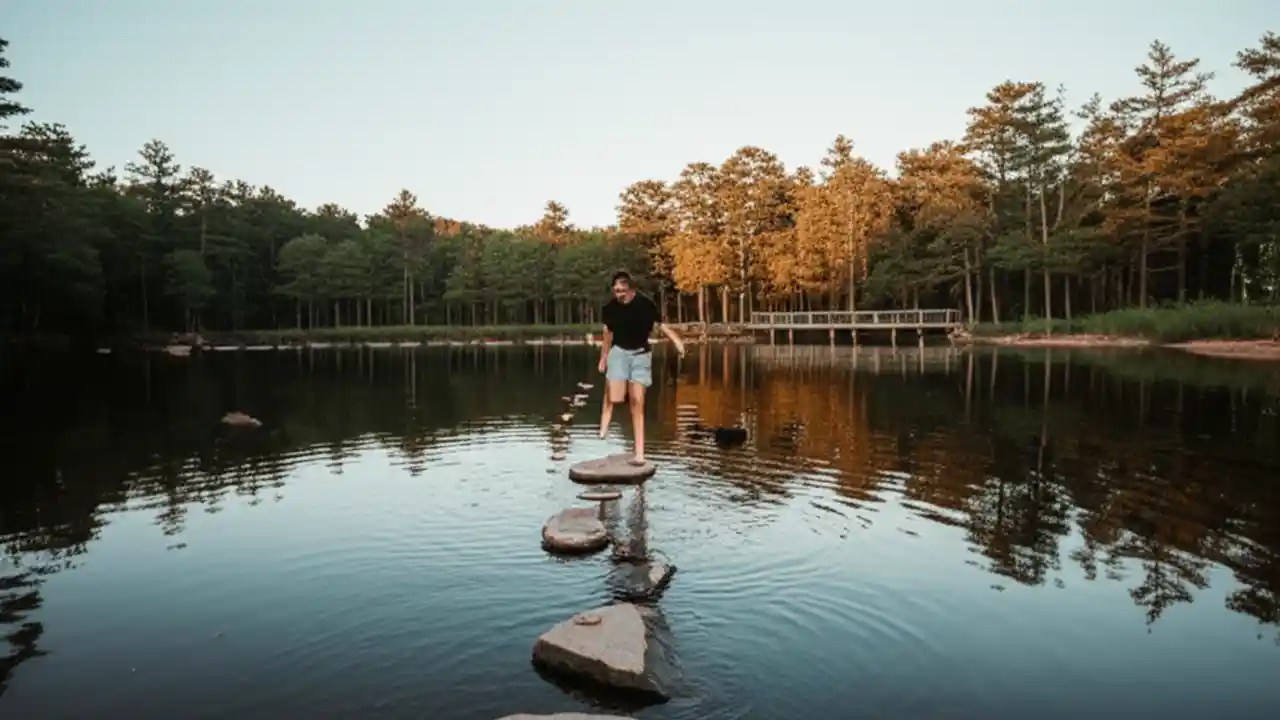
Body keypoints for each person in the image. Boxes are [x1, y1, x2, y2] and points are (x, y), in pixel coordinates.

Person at [597, 270, 685, 465]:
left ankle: (639, 454)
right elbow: (607, 335)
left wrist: (677, 341)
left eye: (622, 290)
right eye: (616, 290)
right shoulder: (610, 308)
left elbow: (662, 326)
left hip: (641, 356)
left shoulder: (646, 305)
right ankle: (606, 416)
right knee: (615, 396)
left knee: (638, 403)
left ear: (632, 289)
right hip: (619, 353)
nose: (619, 294)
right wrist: (603, 358)